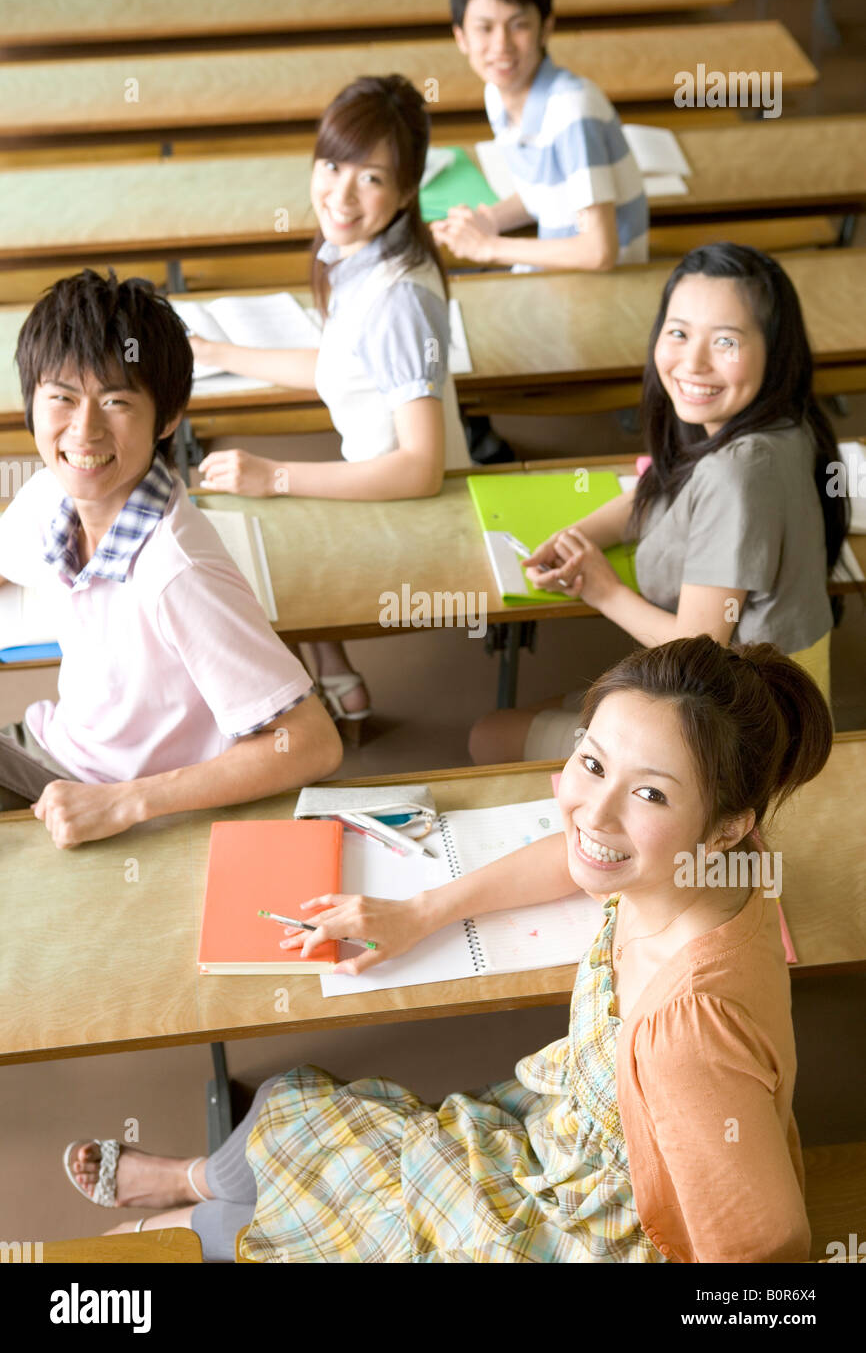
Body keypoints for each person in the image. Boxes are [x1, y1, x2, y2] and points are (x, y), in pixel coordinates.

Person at [63, 635, 829, 1263]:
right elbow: (577, 853)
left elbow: (770, 1249)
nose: (593, 811)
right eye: (591, 763)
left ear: (729, 822)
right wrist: (420, 911)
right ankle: (190, 1179)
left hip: (596, 1230)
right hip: (561, 1145)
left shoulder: (685, 1030)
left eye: (650, 792)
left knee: (265, 1228)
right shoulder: (706, 862)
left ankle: (173, 1223)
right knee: (283, 1112)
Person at [469, 242, 849, 764]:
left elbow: (700, 646)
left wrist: (600, 589)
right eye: (678, 332)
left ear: (774, 348)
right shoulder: (781, 419)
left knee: (490, 735)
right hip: (780, 697)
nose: (693, 362)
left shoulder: (737, 473)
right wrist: (577, 536)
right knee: (549, 713)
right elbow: (666, 489)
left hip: (734, 734)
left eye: (725, 341)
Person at [0, 270, 342, 847]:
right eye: (61, 397)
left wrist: (125, 803)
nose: (83, 431)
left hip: (133, 805)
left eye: (115, 401)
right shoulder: (51, 494)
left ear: (170, 415)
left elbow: (310, 741)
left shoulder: (177, 571)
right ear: (31, 400)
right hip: (59, 747)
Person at [191, 75, 471, 738]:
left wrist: (278, 476)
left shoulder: (400, 297)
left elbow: (422, 468)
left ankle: (295, 713)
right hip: (380, 479)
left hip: (420, 507)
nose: (341, 192)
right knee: (246, 516)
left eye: (370, 178)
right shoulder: (364, 255)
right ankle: (328, 668)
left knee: (234, 540)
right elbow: (339, 366)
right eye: (332, 165)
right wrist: (218, 351)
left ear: (406, 191)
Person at [431, 0, 648, 271]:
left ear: (546, 28)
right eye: (484, 28)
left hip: (601, 287)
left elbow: (600, 252)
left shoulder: (573, 110)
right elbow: (545, 193)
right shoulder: (496, 94)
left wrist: (489, 247)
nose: (501, 45)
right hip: (561, 270)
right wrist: (488, 221)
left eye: (518, 25)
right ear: (461, 37)